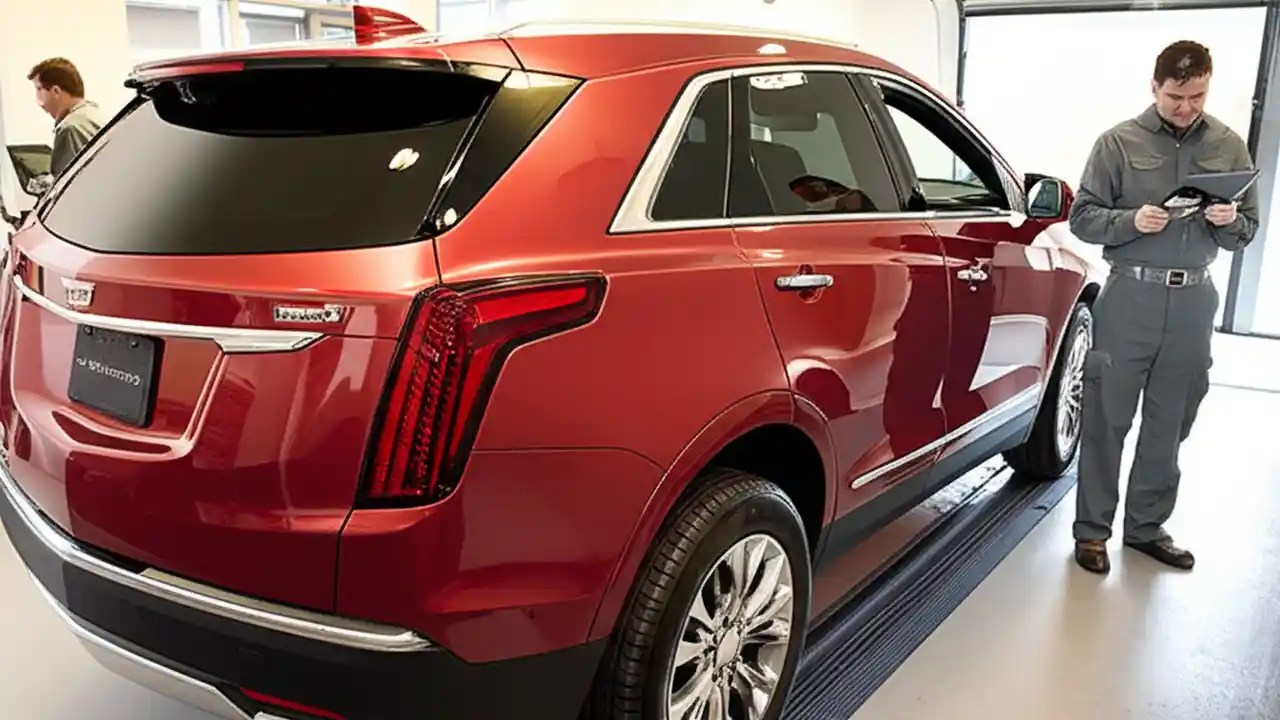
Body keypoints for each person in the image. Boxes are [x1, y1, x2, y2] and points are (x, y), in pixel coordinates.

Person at [1068, 40, 1258, 574]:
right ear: (1155, 87)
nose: (1187, 107)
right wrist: (1132, 222)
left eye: (1197, 96)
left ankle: (1146, 528)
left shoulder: (1228, 145)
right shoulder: (1117, 144)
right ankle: (1092, 533)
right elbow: (1082, 218)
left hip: (1195, 299)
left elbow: (1248, 230)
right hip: (1130, 294)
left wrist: (1229, 224)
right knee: (1107, 418)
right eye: (1177, 96)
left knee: (1172, 419)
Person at [28, 57, 107, 180]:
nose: (38, 100)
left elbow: (66, 190)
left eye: (39, 89)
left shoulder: (69, 128)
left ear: (56, 91)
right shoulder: (93, 114)